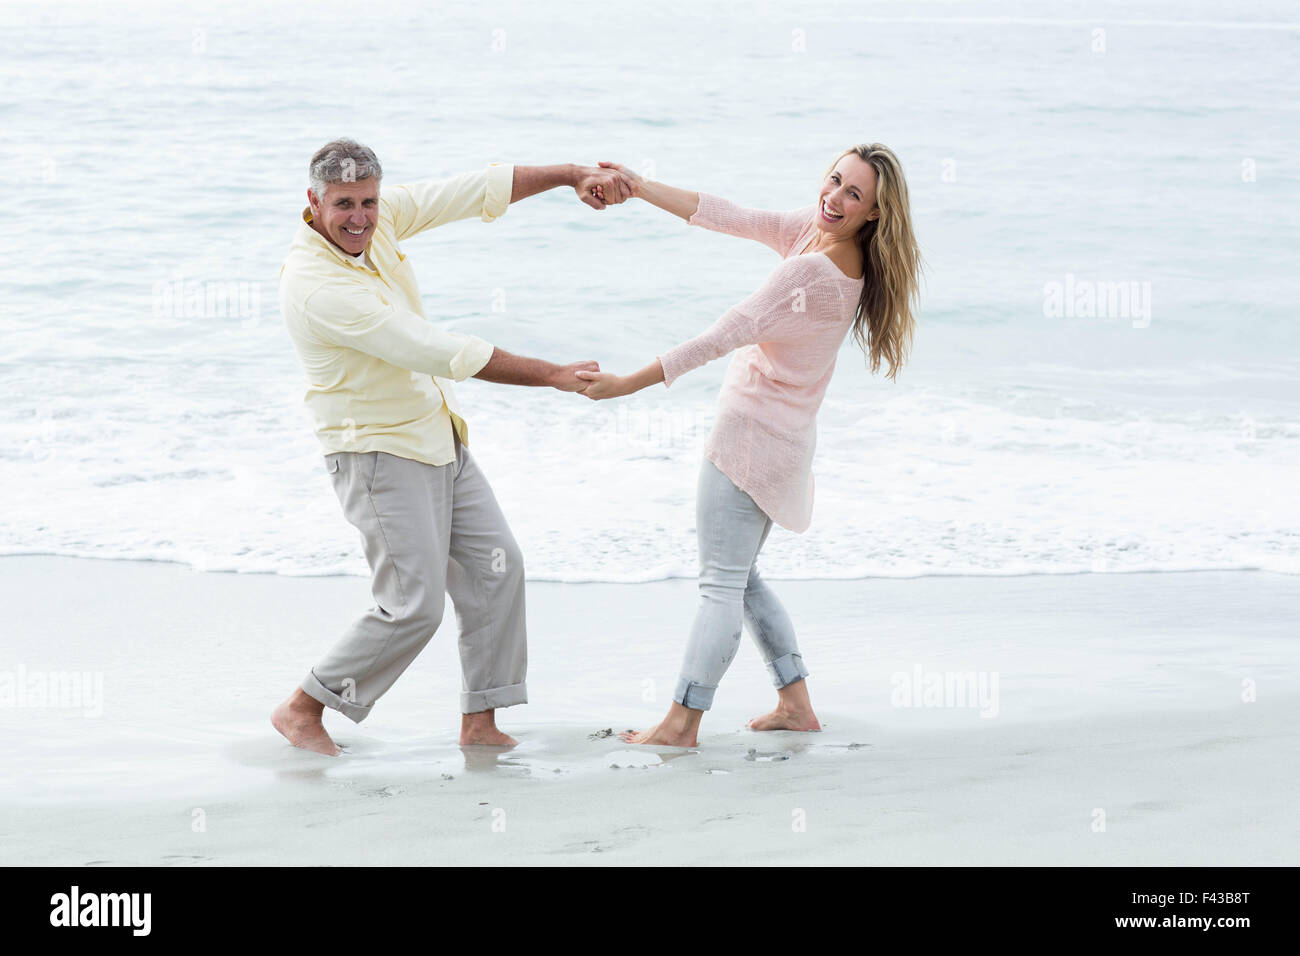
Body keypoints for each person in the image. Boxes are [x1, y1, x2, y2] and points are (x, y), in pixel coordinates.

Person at [273, 139, 635, 755]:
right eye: (343, 205)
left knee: (497, 567)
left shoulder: (378, 222)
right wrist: (550, 374)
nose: (359, 217)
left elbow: (473, 190)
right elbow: (438, 349)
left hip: (437, 435)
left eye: (368, 201)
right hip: (377, 454)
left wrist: (571, 173)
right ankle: (304, 706)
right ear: (313, 202)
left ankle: (482, 721)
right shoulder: (319, 287)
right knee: (413, 606)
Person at [577, 145, 924, 747]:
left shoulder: (811, 272)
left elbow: (722, 335)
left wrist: (624, 385)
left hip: (748, 443)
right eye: (835, 180)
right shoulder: (821, 242)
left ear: (873, 214)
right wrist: (640, 186)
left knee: (719, 585)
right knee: (742, 578)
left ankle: (682, 723)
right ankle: (796, 704)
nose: (834, 198)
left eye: (853, 195)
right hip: (782, 443)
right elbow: (729, 215)